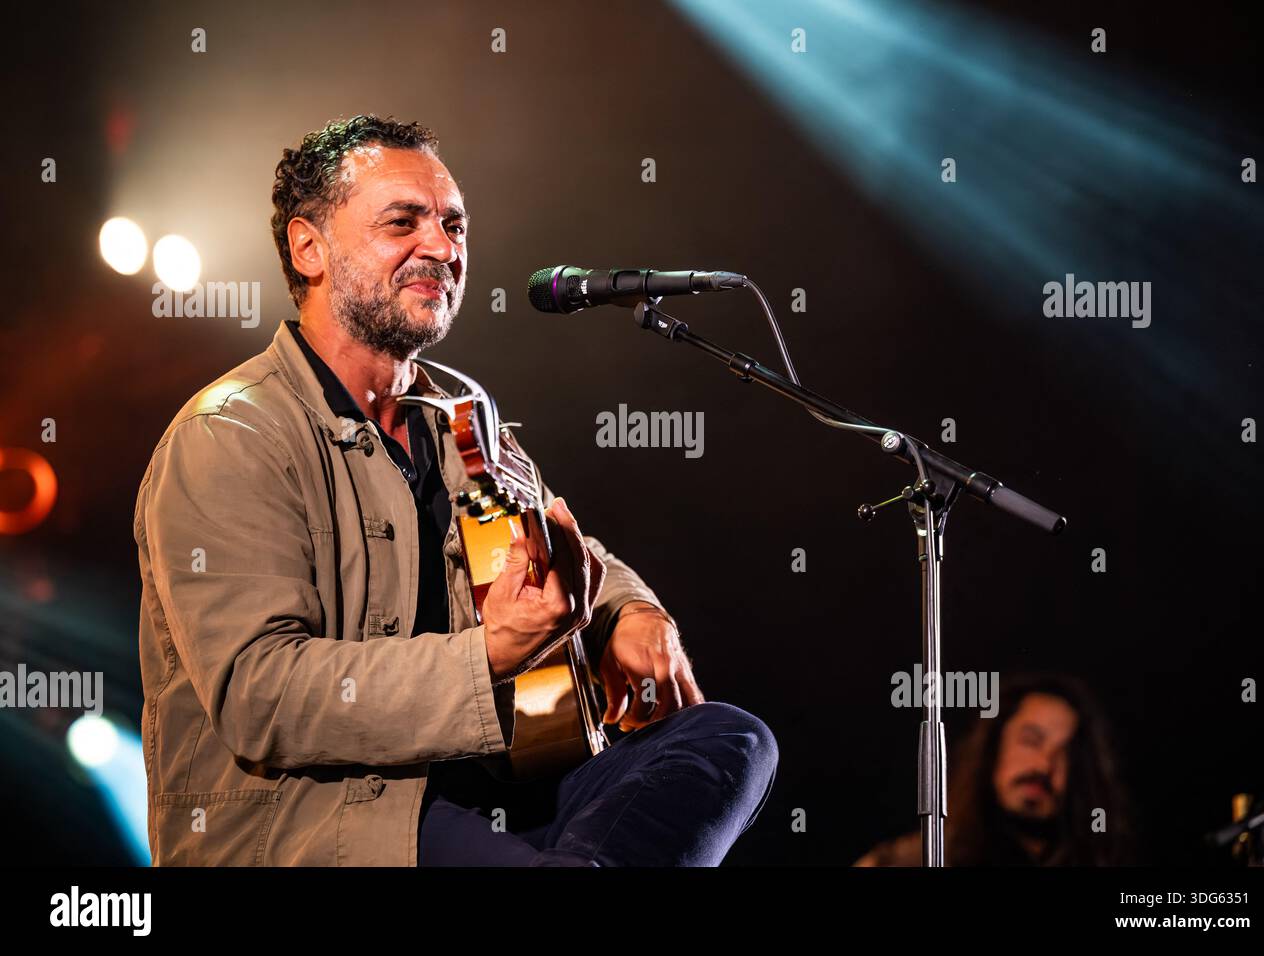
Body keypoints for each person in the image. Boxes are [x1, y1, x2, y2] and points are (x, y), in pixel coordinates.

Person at [135, 114, 777, 866]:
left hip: (506, 790)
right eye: (403, 222)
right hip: (328, 819)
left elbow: (563, 546)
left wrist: (631, 612)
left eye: (453, 225)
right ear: (308, 248)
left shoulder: (462, 419)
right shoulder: (231, 434)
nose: (441, 248)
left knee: (731, 739)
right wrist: (492, 654)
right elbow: (262, 694)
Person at [855, 674, 1134, 866]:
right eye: (1031, 741)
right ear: (993, 749)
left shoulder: (1103, 860)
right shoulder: (918, 859)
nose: (1044, 765)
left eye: (1065, 754)